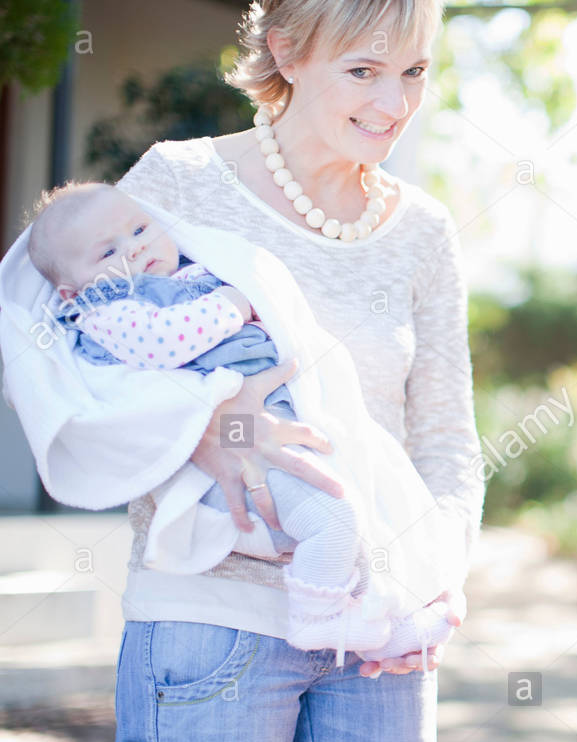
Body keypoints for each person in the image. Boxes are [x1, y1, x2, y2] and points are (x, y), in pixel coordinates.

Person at [1, 0, 480, 742]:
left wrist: (436, 579)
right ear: (288, 53)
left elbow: (446, 437)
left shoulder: (423, 231)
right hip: (211, 623)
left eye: (414, 71)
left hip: (375, 633)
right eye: (364, 71)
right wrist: (198, 430)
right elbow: (57, 345)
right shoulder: (176, 180)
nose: (395, 102)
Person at [26, 181, 453, 663]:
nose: (135, 247)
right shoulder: (105, 311)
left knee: (372, 492)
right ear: (70, 289)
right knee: (334, 519)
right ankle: (319, 619)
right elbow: (167, 343)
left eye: (140, 228)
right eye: (108, 252)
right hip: (235, 463)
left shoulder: (198, 271)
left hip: (285, 425)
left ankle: (391, 616)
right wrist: (235, 302)